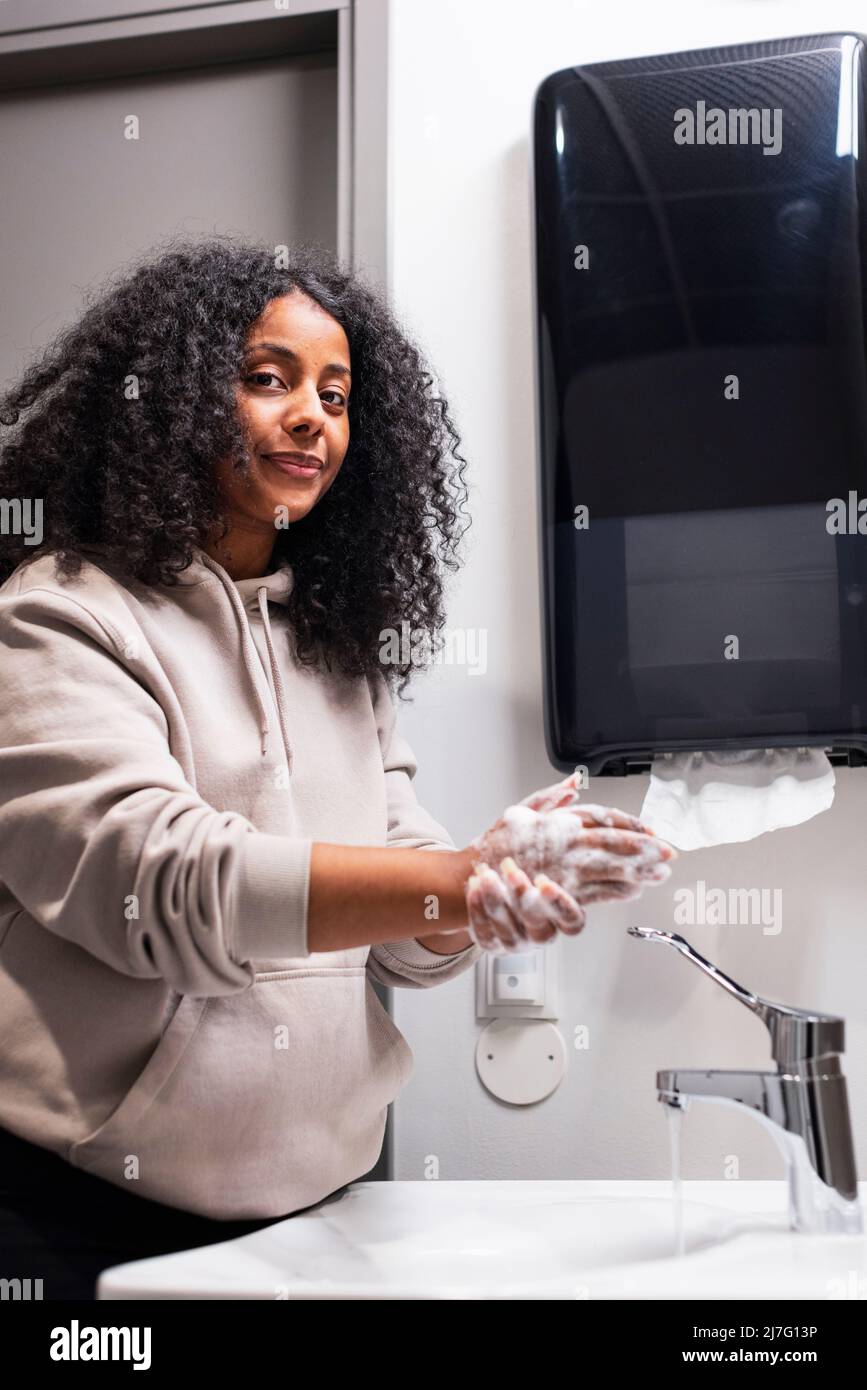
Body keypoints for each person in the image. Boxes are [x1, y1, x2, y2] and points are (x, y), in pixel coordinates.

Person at [0, 237, 675, 1299]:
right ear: (171, 398)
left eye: (336, 391)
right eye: (267, 379)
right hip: (89, 1217)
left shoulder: (339, 643)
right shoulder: (61, 611)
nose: (312, 414)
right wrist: (450, 881)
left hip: (328, 1208)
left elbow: (404, 932)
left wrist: (478, 889)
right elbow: (161, 883)